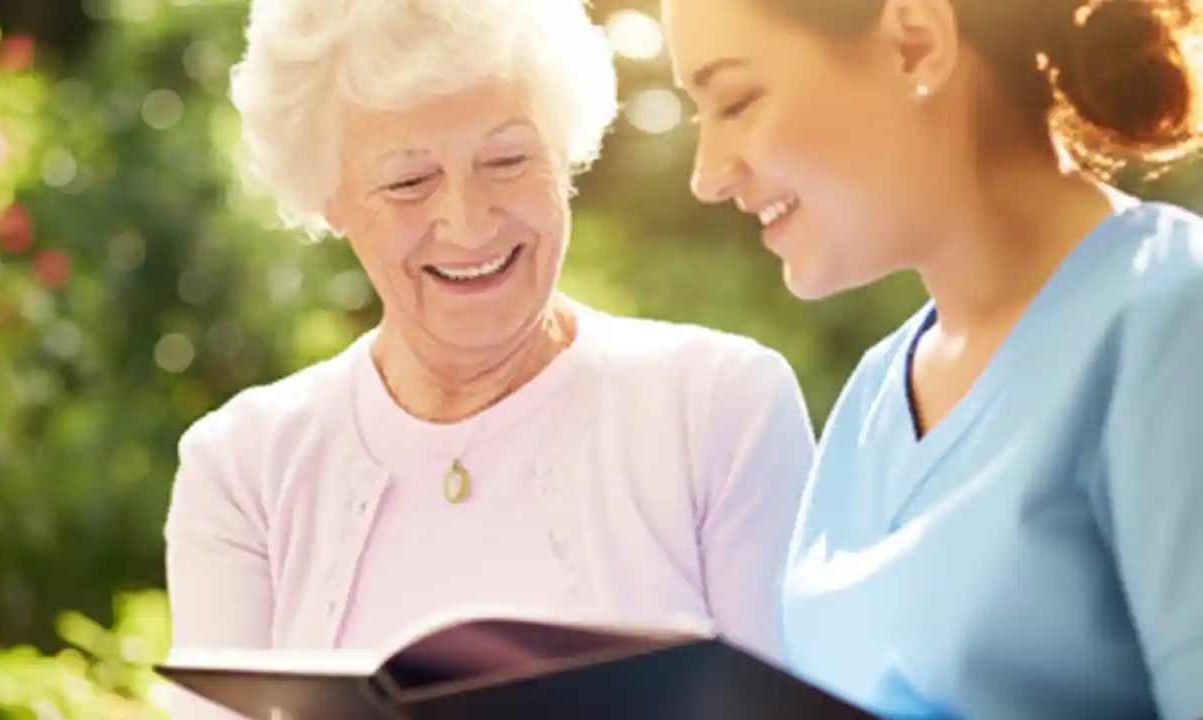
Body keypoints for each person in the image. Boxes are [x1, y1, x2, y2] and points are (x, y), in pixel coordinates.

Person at [164, 0, 815, 714]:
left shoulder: (721, 408)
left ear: (564, 154)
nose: (469, 222)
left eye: (507, 160)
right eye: (410, 181)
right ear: (331, 200)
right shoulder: (242, 468)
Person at [664, 0, 1203, 717]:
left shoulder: (1171, 324)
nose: (706, 175)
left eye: (737, 100)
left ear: (915, 46)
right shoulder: (871, 402)